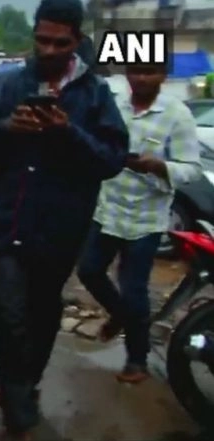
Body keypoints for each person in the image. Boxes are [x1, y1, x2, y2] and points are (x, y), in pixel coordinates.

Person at [0, 0, 129, 438]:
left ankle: (25, 383)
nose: (49, 49)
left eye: (60, 42)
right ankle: (18, 407)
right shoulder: (4, 87)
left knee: (43, 311)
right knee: (10, 311)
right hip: (4, 223)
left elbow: (111, 159)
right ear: (33, 34)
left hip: (60, 229)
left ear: (77, 40)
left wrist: (67, 131)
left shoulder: (95, 95)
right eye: (41, 39)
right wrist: (5, 129)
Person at [77, 63, 201, 384]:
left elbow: (192, 169)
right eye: (136, 71)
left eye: (150, 72)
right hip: (108, 208)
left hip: (146, 217)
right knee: (89, 270)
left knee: (134, 290)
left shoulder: (178, 114)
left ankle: (137, 359)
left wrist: (160, 166)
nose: (142, 78)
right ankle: (119, 315)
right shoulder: (114, 105)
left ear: (163, 75)